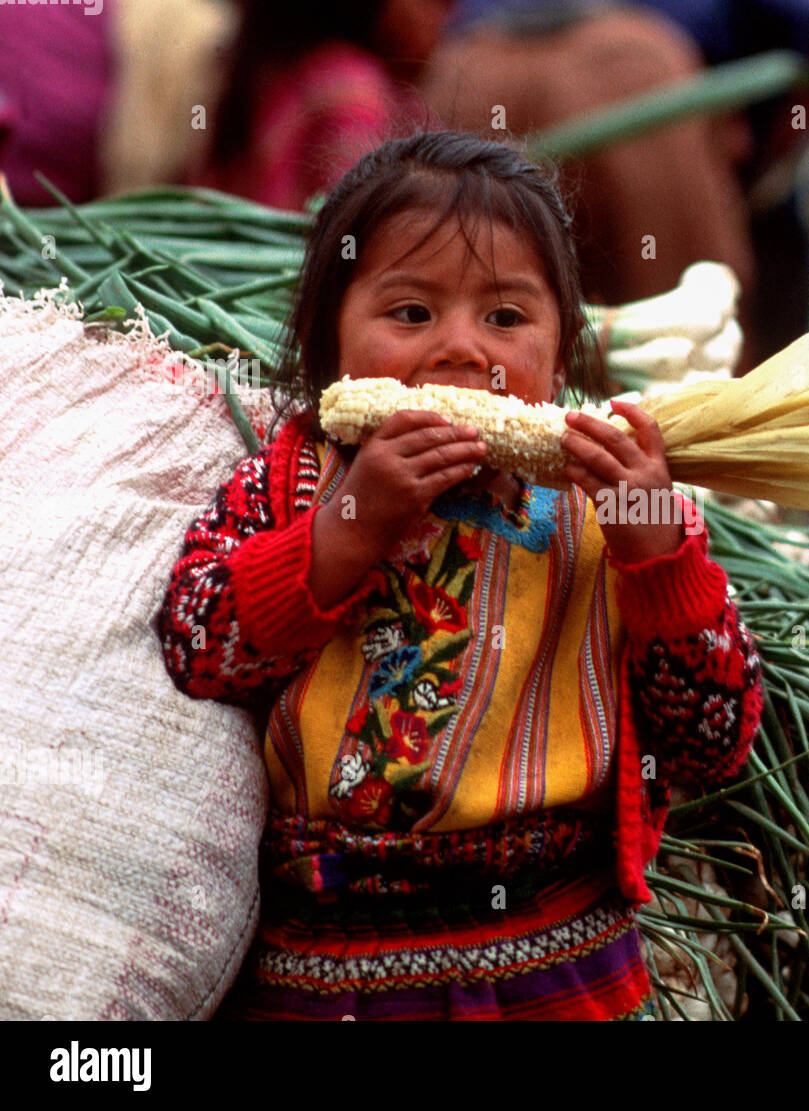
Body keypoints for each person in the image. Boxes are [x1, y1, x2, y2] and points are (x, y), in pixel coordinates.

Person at [157, 130, 764, 1020]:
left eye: (507, 318)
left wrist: (655, 551)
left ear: (562, 356)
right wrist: (348, 529)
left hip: (560, 967)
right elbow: (199, 645)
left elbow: (713, 737)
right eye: (410, 314)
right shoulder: (288, 485)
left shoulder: (613, 507)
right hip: (328, 976)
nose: (461, 351)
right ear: (331, 345)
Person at [196, 0, 454, 211]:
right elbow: (354, 223)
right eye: (433, 3)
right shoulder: (352, 91)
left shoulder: (266, 70)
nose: (442, 20)